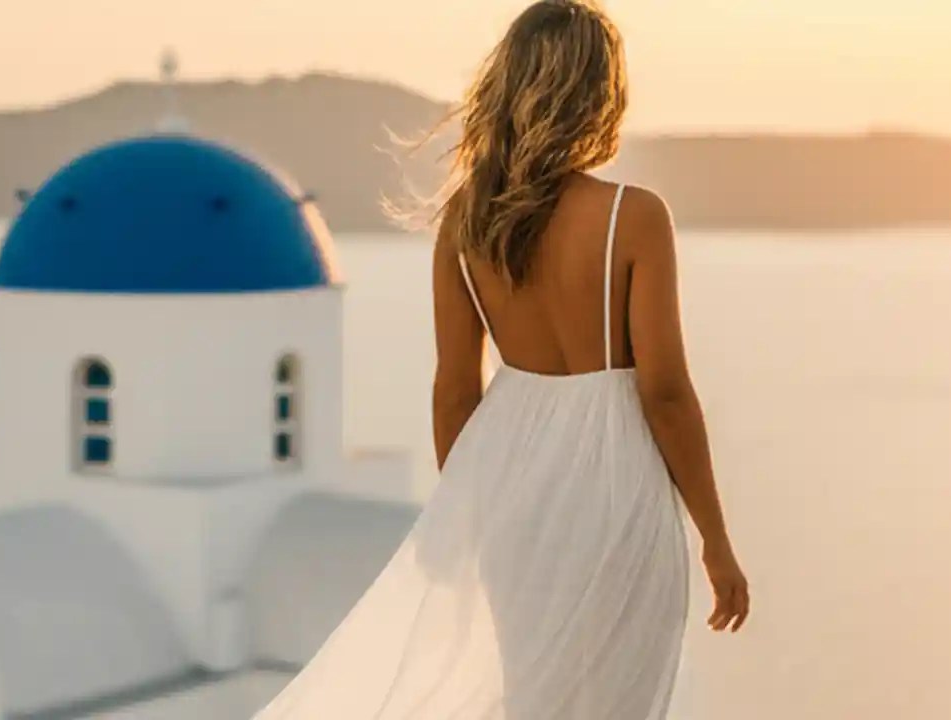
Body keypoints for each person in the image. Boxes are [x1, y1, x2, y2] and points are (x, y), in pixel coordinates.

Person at [254, 2, 747, 718]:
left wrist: (472, 520)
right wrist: (717, 542)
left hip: (516, 498)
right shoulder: (634, 218)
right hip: (616, 495)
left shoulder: (463, 225)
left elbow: (454, 393)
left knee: (529, 698)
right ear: (599, 95)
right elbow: (665, 392)